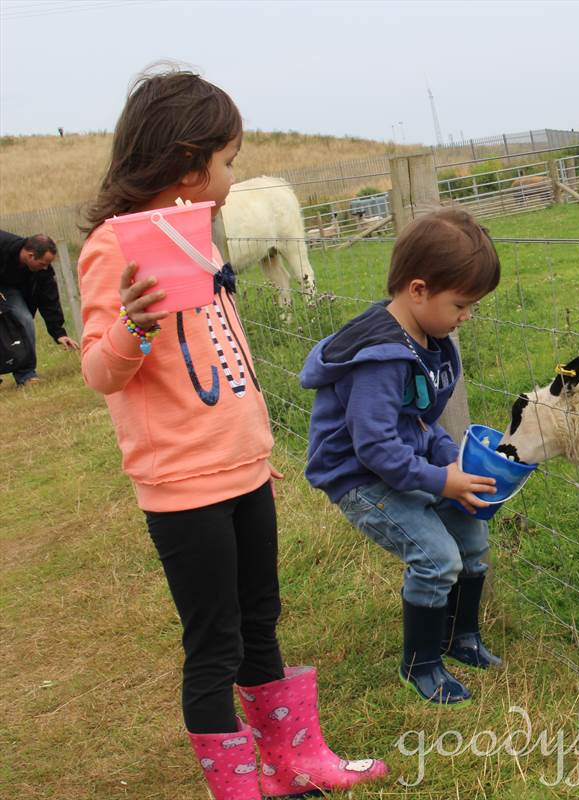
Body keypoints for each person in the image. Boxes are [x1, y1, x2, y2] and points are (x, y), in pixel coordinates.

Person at [76, 68, 387, 800]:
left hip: (242, 471)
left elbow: (223, 357)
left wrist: (250, 451)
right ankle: (239, 786)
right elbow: (99, 369)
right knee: (214, 644)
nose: (230, 177)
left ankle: (290, 762)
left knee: (260, 620)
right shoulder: (110, 252)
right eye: (228, 162)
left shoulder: (199, 240)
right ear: (188, 164)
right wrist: (133, 327)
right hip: (183, 490)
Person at [300, 208, 502, 705]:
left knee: (471, 537)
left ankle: (462, 637)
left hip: (401, 463)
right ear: (417, 290)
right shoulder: (380, 358)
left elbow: (417, 420)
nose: (466, 316)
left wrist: (450, 461)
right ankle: (422, 665)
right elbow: (373, 447)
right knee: (436, 557)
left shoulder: (424, 339)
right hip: (360, 478)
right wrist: (440, 482)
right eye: (461, 303)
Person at [0, 230, 79, 386]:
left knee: (24, 319)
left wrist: (58, 332)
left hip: (9, 290)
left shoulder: (43, 272)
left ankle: (26, 374)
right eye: (42, 263)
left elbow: (49, 301)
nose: (45, 268)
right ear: (30, 255)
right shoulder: (3, 244)